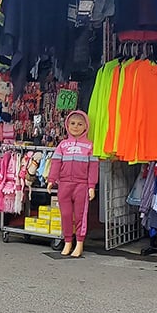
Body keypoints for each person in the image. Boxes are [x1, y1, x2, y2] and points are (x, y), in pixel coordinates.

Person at [47, 110, 98, 258]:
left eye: (80, 124)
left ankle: (80, 243)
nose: (76, 127)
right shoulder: (62, 145)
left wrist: (91, 186)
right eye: (73, 123)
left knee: (81, 215)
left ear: (86, 126)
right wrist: (51, 180)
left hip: (81, 185)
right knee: (66, 214)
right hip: (64, 185)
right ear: (67, 125)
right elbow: (55, 164)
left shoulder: (89, 146)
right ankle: (68, 241)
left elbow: (93, 168)